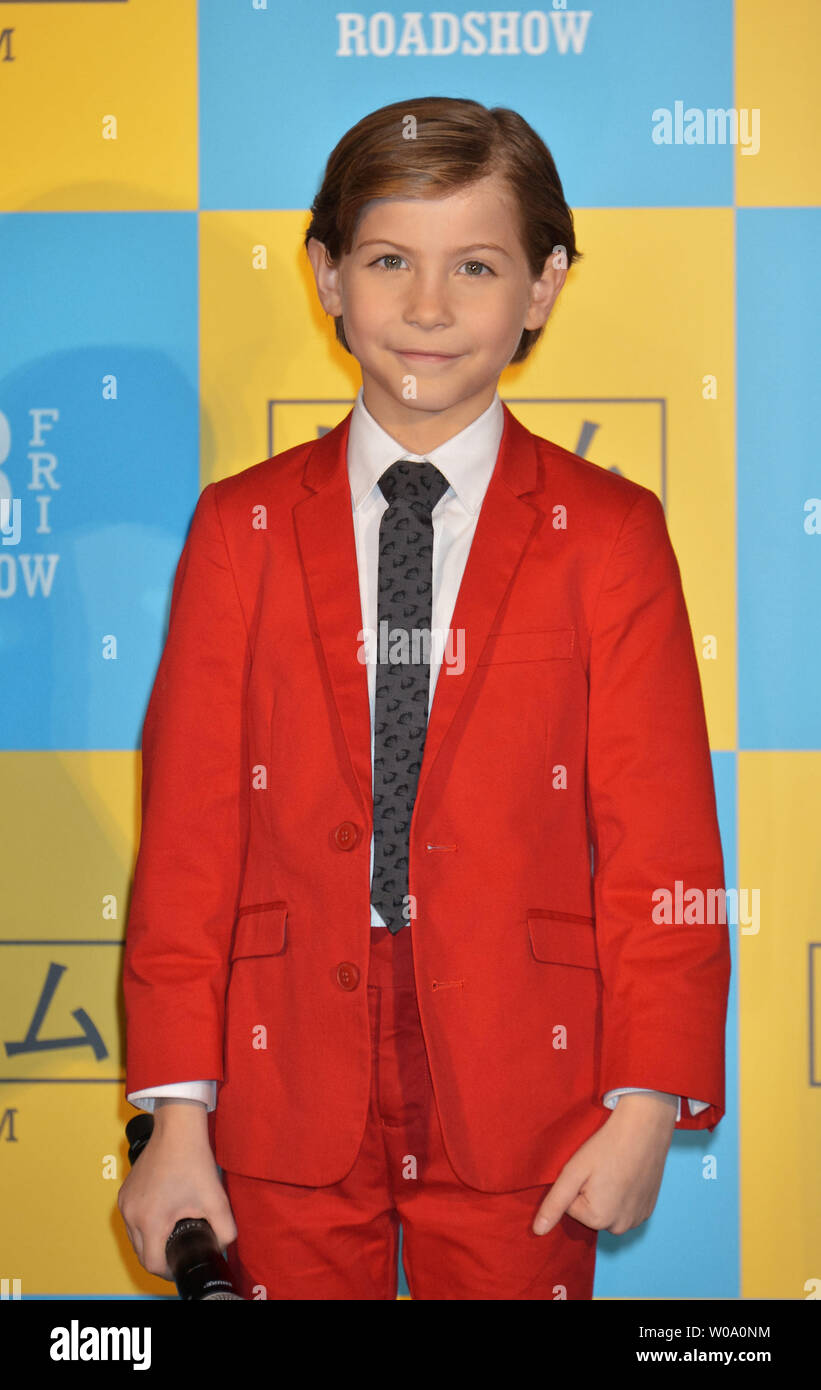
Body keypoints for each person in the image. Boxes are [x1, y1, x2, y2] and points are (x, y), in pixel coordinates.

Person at [118, 96, 731, 1301]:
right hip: (280, 1077)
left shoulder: (607, 536)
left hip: (525, 1088)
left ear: (543, 286)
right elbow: (190, 836)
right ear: (326, 274)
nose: (429, 307)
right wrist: (173, 1114)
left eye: (477, 266)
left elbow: (661, 843)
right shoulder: (240, 529)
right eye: (390, 260)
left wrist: (648, 1098)